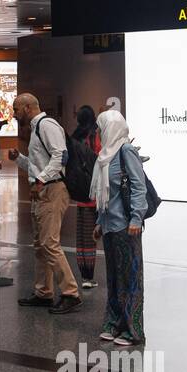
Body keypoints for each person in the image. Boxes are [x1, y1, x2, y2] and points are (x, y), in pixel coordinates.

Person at [8, 92, 81, 314]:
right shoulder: (35, 128)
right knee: (40, 245)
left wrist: (40, 180)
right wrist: (19, 159)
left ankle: (70, 293)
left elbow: (61, 156)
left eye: (16, 109)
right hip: (42, 190)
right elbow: (39, 164)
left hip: (52, 190)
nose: (14, 114)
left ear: (28, 107)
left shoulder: (47, 125)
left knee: (50, 243)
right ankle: (43, 292)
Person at [91, 110, 147, 346]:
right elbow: (106, 195)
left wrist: (136, 218)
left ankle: (132, 329)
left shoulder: (125, 151)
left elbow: (138, 186)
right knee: (113, 278)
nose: (98, 132)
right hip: (110, 226)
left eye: (101, 127)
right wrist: (99, 223)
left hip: (126, 225)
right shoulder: (105, 156)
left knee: (130, 278)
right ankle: (113, 323)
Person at [70, 106, 103, 289]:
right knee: (92, 236)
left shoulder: (75, 137)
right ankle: (89, 278)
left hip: (80, 192)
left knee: (81, 237)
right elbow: (100, 159)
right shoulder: (94, 137)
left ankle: (84, 275)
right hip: (94, 193)